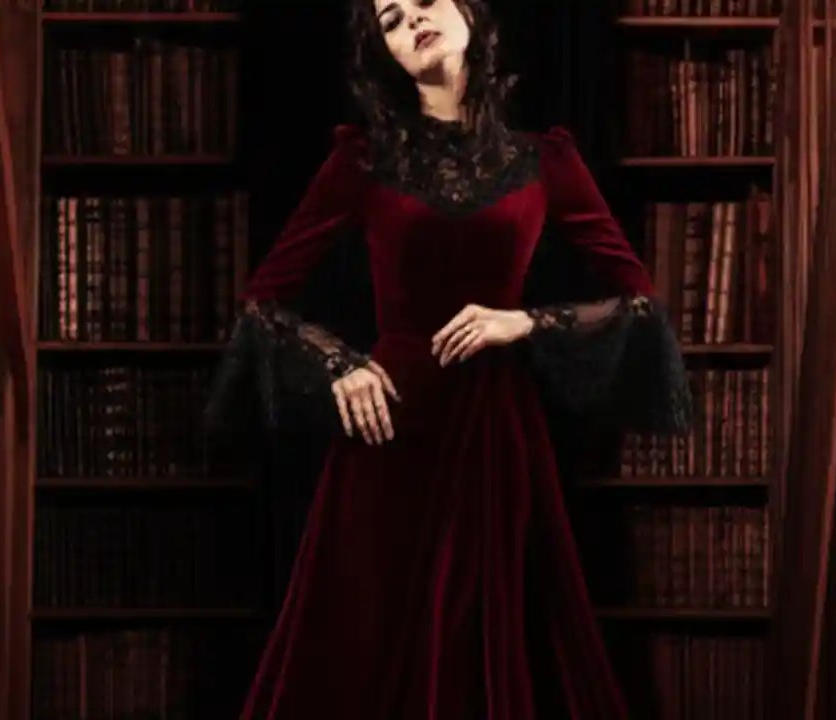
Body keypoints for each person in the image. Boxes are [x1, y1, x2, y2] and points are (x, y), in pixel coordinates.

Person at [206, 0, 691, 716]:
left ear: (471, 16)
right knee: (364, 639)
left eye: (427, 1)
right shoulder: (363, 160)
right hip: (389, 428)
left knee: (486, 635)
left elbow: (639, 302)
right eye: (393, 19)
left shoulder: (544, 160)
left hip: (496, 428)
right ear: (388, 53)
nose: (414, 20)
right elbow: (263, 300)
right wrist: (340, 363)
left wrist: (523, 322)